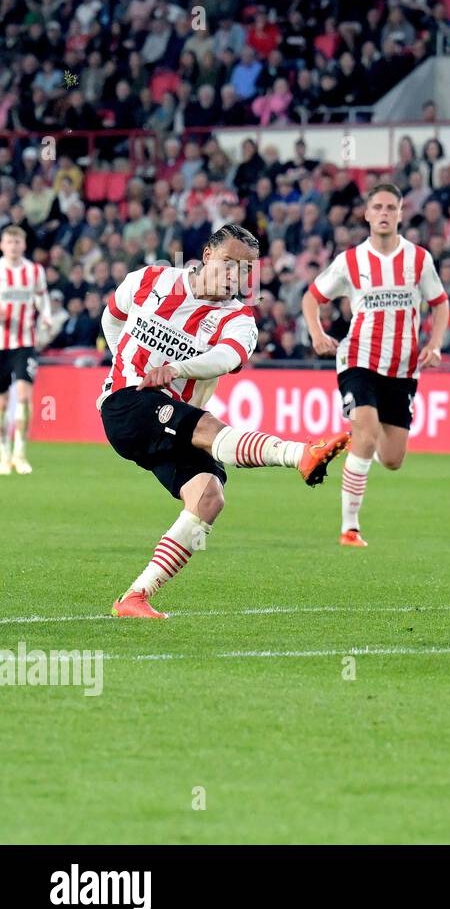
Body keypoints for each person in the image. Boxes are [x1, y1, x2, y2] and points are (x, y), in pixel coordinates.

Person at [99, 225, 350, 619]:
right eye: (230, 263)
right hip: (126, 405)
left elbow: (226, 359)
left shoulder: (239, 320)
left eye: (247, 268)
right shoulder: (150, 279)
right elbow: (112, 317)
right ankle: (300, 453)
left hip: (170, 418)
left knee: (209, 496)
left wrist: (177, 368)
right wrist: (126, 369)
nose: (237, 275)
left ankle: (136, 596)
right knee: (209, 427)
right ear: (207, 254)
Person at [303, 184, 450, 547]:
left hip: (402, 369)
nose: (384, 213)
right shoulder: (350, 261)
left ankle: (356, 442)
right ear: (367, 214)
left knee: (393, 458)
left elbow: (440, 303)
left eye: (391, 207)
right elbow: (312, 297)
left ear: (400, 213)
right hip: (358, 359)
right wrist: (317, 334)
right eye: (377, 207)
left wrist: (435, 343)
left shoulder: (419, 259)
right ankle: (349, 528)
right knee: (367, 435)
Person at [0, 226, 55, 475]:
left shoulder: (34, 271)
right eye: (9, 241)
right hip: (0, 343)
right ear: (2, 245)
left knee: (23, 396)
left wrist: (46, 317)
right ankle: (3, 451)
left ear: (23, 245)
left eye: (17, 241)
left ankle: (20, 453)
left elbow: (41, 298)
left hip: (24, 342)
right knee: (1, 404)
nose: (13, 246)